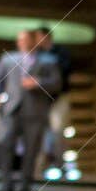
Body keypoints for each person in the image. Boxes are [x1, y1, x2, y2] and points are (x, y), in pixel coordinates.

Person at [0, 29, 62, 191]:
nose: (22, 42)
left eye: (26, 39)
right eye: (19, 39)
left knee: (31, 150)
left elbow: (57, 83)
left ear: (34, 41)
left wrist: (39, 82)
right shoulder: (8, 59)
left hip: (35, 111)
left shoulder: (48, 61)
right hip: (11, 109)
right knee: (5, 145)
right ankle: (6, 185)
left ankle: (25, 186)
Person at [35, 26, 73, 176]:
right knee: (41, 134)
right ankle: (39, 167)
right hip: (41, 100)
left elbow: (64, 73)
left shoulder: (61, 53)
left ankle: (59, 164)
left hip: (59, 97)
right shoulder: (36, 55)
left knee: (58, 131)